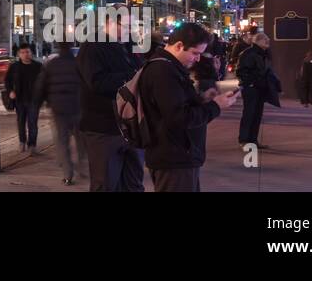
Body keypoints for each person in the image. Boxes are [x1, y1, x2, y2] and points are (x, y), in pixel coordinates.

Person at [138, 22, 239, 192]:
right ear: (179, 46)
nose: (198, 59)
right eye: (195, 53)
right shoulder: (163, 71)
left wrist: (202, 99)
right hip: (174, 157)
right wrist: (215, 106)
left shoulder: (169, 68)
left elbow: (175, 107)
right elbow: (179, 118)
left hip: (178, 154)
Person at [76, 14, 144, 191]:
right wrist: (133, 78)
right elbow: (97, 82)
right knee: (105, 182)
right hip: (103, 128)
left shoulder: (128, 46)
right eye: (126, 26)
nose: (130, 30)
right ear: (110, 22)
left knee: (133, 183)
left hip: (131, 127)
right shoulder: (93, 46)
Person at [34, 42, 86, 185]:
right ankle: (83, 167)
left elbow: (41, 86)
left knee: (62, 142)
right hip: (76, 106)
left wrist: (39, 103)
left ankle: (68, 174)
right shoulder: (77, 64)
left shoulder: (52, 64)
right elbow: (86, 85)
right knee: (81, 139)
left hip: (58, 108)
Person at [4, 43, 43, 152]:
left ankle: (32, 144)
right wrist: (10, 91)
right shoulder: (15, 67)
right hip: (19, 99)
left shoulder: (38, 66)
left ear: (31, 53)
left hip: (34, 100)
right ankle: (22, 141)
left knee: (33, 123)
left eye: (27, 52)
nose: (25, 54)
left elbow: (44, 82)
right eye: (23, 52)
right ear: (19, 54)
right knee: (21, 122)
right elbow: (7, 80)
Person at [236, 32, 272, 148]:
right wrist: (250, 83)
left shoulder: (264, 54)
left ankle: (253, 140)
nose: (267, 42)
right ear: (258, 41)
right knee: (249, 113)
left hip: (260, 87)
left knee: (257, 114)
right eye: (265, 40)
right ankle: (244, 140)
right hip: (251, 88)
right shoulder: (248, 53)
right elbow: (241, 72)